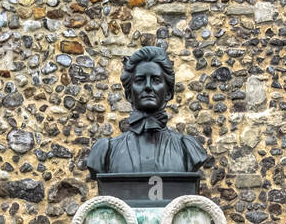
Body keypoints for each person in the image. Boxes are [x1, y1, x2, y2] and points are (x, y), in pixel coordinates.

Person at [83, 46, 209, 178]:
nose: (148, 86)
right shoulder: (106, 150)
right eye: (140, 80)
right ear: (129, 95)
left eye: (156, 80)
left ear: (168, 93)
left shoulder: (188, 149)